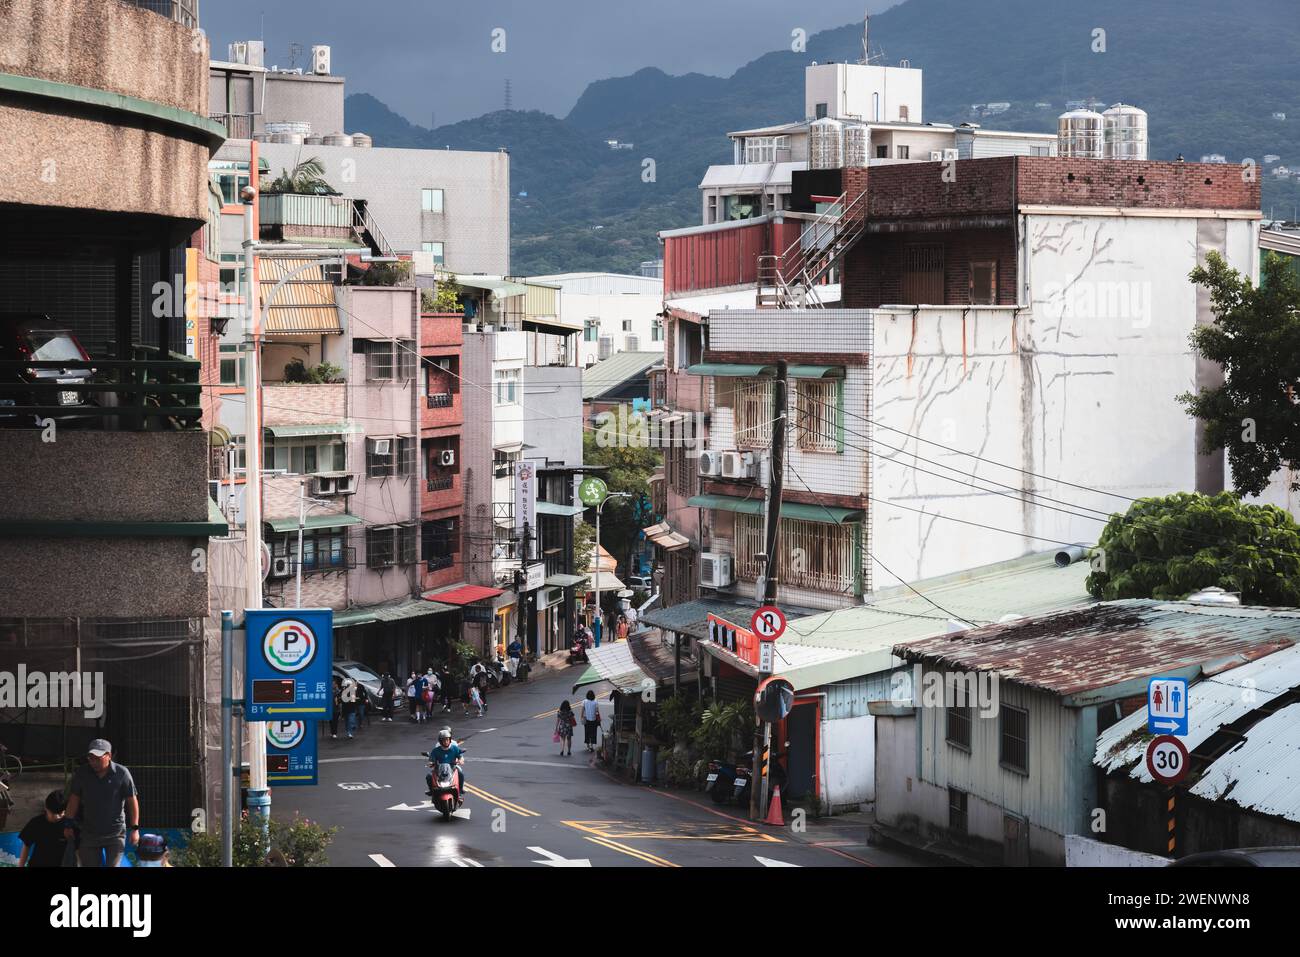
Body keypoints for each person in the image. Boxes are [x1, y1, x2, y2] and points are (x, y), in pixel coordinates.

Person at [64, 739, 139, 868]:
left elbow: (132, 801)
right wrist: (68, 823)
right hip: (89, 832)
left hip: (115, 832)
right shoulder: (82, 773)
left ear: (108, 756)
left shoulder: (122, 773)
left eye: (97, 758)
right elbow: (74, 799)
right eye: (90, 758)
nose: (93, 762)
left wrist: (135, 828)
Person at [18, 790, 75, 868]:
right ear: (46, 807)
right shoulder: (36, 823)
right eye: (53, 813)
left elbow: (77, 849)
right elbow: (26, 845)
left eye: (60, 813)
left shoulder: (70, 826)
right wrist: (21, 866)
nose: (57, 817)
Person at [425, 728, 465, 797]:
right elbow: (431, 759)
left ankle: (460, 790)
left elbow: (460, 756)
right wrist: (431, 763)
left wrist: (461, 760)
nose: (446, 742)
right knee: (429, 776)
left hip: (452, 767)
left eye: (447, 739)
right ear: (440, 741)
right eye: (444, 740)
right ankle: (431, 791)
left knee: (461, 774)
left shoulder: (454, 748)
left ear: (450, 740)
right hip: (439, 768)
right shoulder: (436, 750)